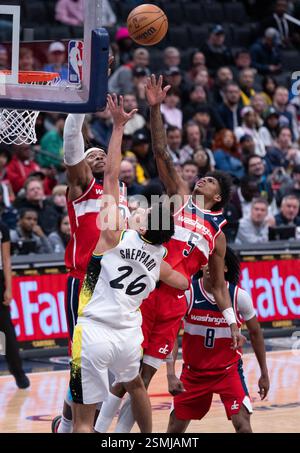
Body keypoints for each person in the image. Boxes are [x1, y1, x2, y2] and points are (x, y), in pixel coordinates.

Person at [96, 75, 245, 434]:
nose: (201, 180)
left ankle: (119, 437)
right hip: (148, 289)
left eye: (209, 180)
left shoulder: (218, 234)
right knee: (128, 376)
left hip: (176, 302)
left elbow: (218, 283)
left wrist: (230, 319)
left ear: (219, 197)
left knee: (144, 379)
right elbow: (161, 151)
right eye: (202, 177)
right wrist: (155, 107)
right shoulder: (178, 198)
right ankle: (100, 431)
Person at [70, 93, 189, 433]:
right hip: (128, 337)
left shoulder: (114, 235)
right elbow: (180, 282)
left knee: (82, 420)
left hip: (93, 330)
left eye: (147, 212)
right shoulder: (159, 259)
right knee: (136, 386)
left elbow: (109, 175)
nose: (142, 209)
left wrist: (118, 126)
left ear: (146, 225)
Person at [52, 66, 129, 434]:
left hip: (117, 286)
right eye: (91, 153)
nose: (97, 157)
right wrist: (89, 90)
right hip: (85, 282)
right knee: (83, 364)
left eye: (102, 154)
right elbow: (71, 138)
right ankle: (70, 426)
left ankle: (88, 428)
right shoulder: (82, 186)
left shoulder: (122, 195)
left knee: (117, 367)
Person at [167, 247, 270, 433]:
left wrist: (264, 373)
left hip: (228, 372)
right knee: (173, 431)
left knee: (244, 427)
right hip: (194, 374)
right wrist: (171, 373)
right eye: (205, 261)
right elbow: (172, 334)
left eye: (214, 261)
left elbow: (256, 333)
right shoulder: (189, 293)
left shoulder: (239, 296)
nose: (208, 265)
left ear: (225, 268)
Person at [0, 221, 30, 388]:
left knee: (6, 332)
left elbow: (6, 260)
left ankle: (17, 371)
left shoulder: (2, 227)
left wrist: (9, 288)